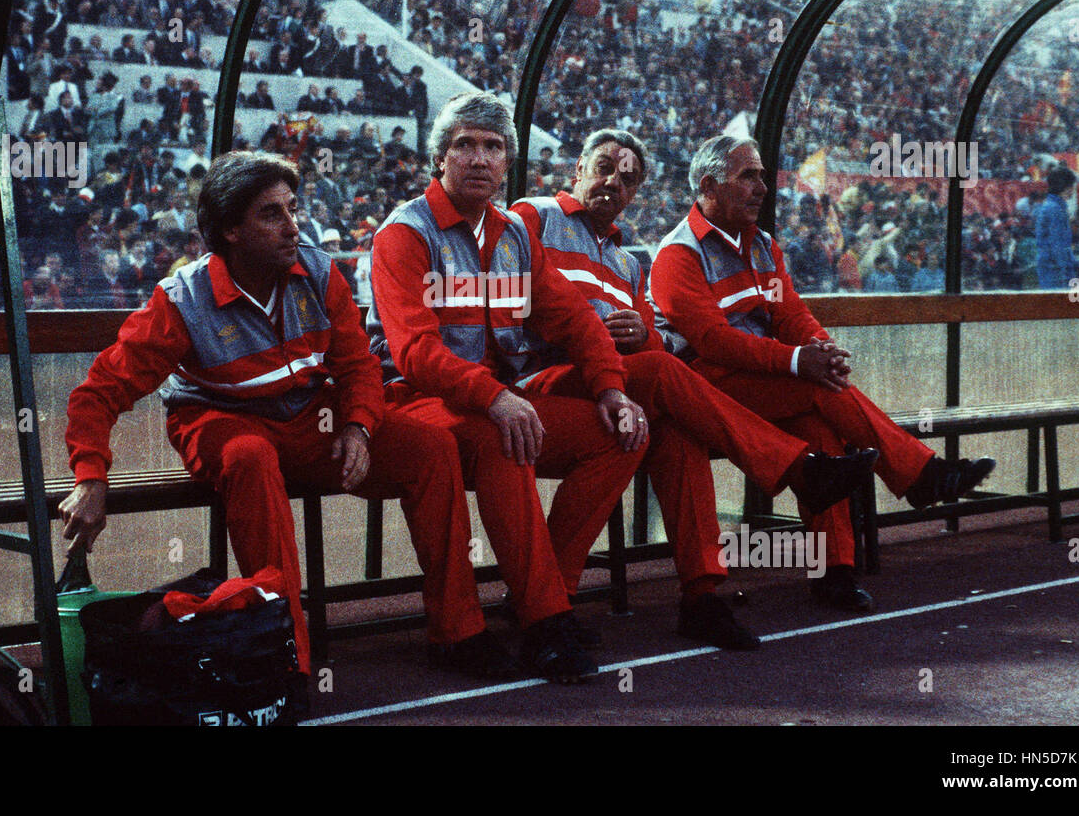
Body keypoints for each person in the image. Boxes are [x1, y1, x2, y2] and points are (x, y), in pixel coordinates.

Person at [62, 151, 518, 694]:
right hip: (220, 420)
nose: (293, 226)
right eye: (271, 214)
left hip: (307, 416)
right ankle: (288, 660)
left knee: (430, 446)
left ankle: (458, 631)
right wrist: (90, 476)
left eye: (293, 208)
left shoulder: (319, 272)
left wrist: (359, 428)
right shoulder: (182, 300)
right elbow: (98, 393)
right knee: (251, 458)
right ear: (230, 229)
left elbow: (357, 367)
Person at [512, 129, 878, 643]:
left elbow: (654, 347)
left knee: (680, 432)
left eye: (629, 178)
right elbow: (510, 294)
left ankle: (702, 596)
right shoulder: (534, 216)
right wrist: (590, 334)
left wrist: (641, 332)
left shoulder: (627, 264)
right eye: (603, 168)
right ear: (577, 169)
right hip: (543, 380)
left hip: (613, 390)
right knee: (666, 379)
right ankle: (797, 467)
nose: (614, 183)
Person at [366, 93, 649, 681]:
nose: (478, 158)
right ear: (439, 158)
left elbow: (575, 320)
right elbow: (414, 353)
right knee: (502, 438)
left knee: (621, 435)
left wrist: (612, 392)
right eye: (464, 144)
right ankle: (541, 622)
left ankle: (542, 592)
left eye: (492, 147)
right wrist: (496, 396)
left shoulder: (515, 234)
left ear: (506, 162)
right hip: (415, 401)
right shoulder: (405, 233)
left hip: (495, 401)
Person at [649, 135, 996, 610]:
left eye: (763, 176)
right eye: (747, 176)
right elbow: (714, 342)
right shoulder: (677, 255)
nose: (762, 187)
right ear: (709, 185)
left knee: (822, 436)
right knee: (818, 394)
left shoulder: (765, 247)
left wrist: (819, 347)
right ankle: (920, 473)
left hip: (759, 386)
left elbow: (791, 314)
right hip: (705, 390)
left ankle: (835, 572)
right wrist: (797, 362)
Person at [1035, 164, 1079, 289]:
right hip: (1056, 273)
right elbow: (1059, 246)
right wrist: (1073, 277)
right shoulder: (1055, 209)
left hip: (1053, 269)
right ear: (1067, 187)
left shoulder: (1052, 206)